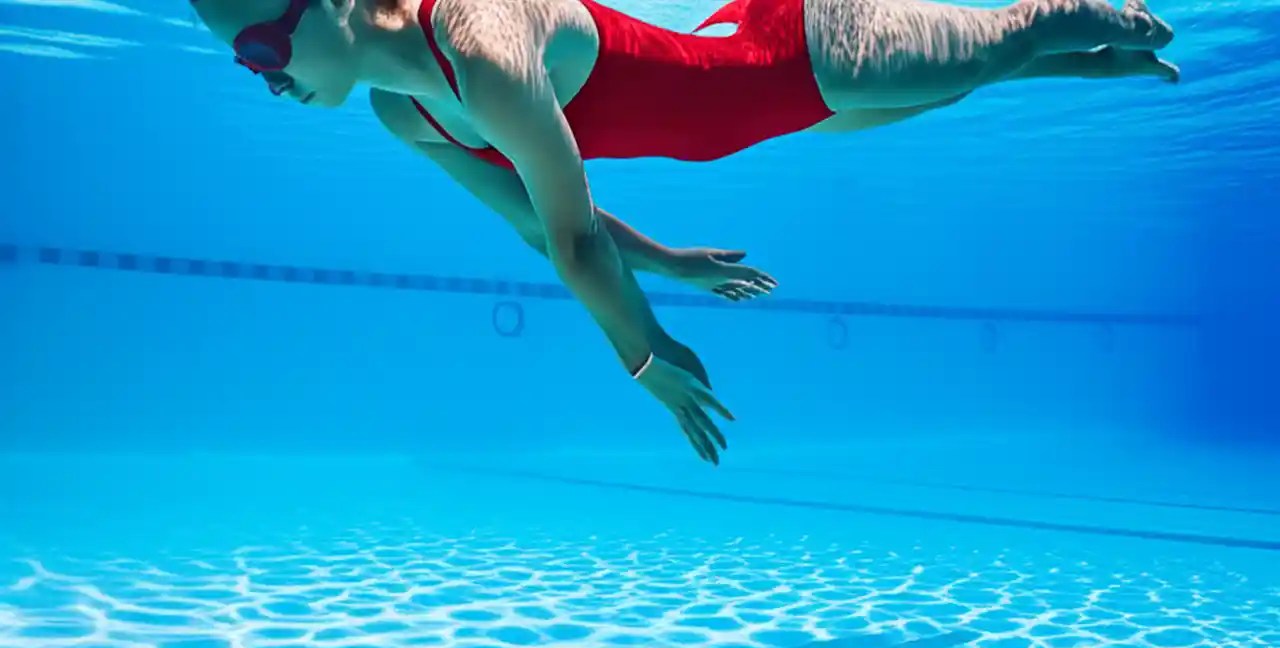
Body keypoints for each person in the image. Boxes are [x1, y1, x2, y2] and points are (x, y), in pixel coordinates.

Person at [190, 0, 1177, 465]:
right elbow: (546, 223)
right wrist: (666, 263)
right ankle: (1073, 59)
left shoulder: (480, 48)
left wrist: (645, 355)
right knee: (950, 86)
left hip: (799, 48)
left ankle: (1076, 19)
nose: (264, 77)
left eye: (256, 48)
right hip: (758, 95)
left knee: (1002, 39)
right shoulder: (402, 113)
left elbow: (575, 247)